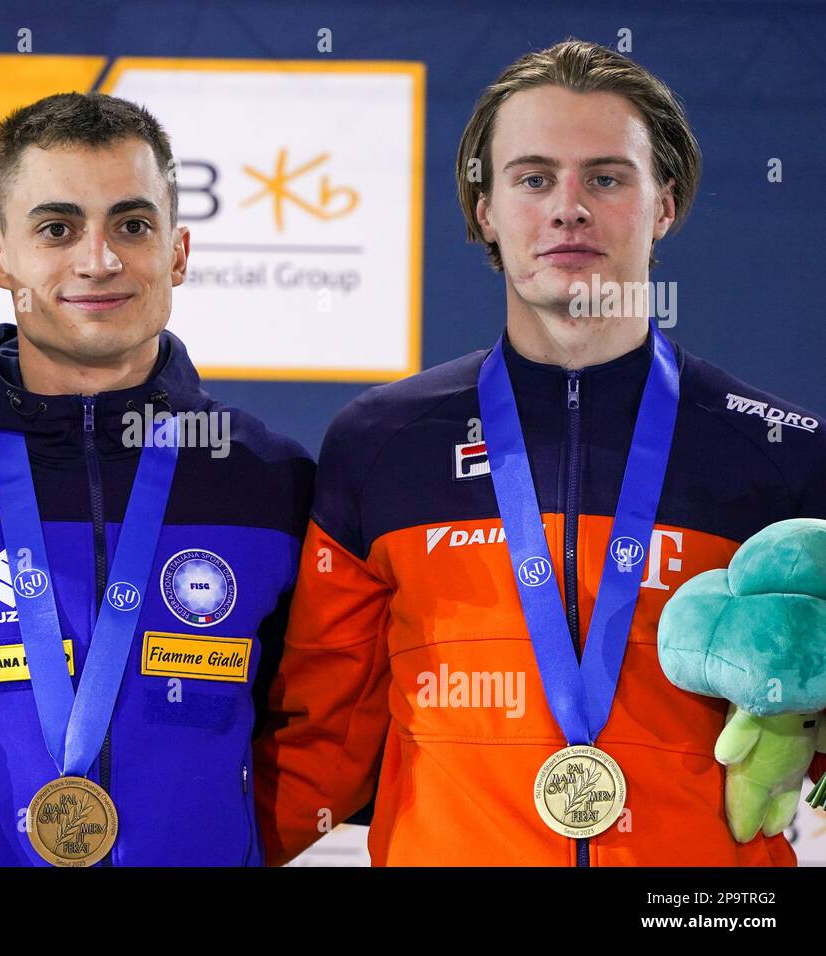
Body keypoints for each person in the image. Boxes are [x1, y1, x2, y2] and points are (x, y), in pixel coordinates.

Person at [254, 39, 826, 866]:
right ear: (485, 210)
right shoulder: (380, 444)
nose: (568, 208)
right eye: (532, 178)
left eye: (606, 176)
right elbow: (322, 736)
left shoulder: (782, 452)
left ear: (663, 204)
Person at [0, 92, 314, 866]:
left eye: (132, 225)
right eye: (56, 228)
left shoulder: (265, 477)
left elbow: (306, 734)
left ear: (177, 250)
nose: (99, 260)